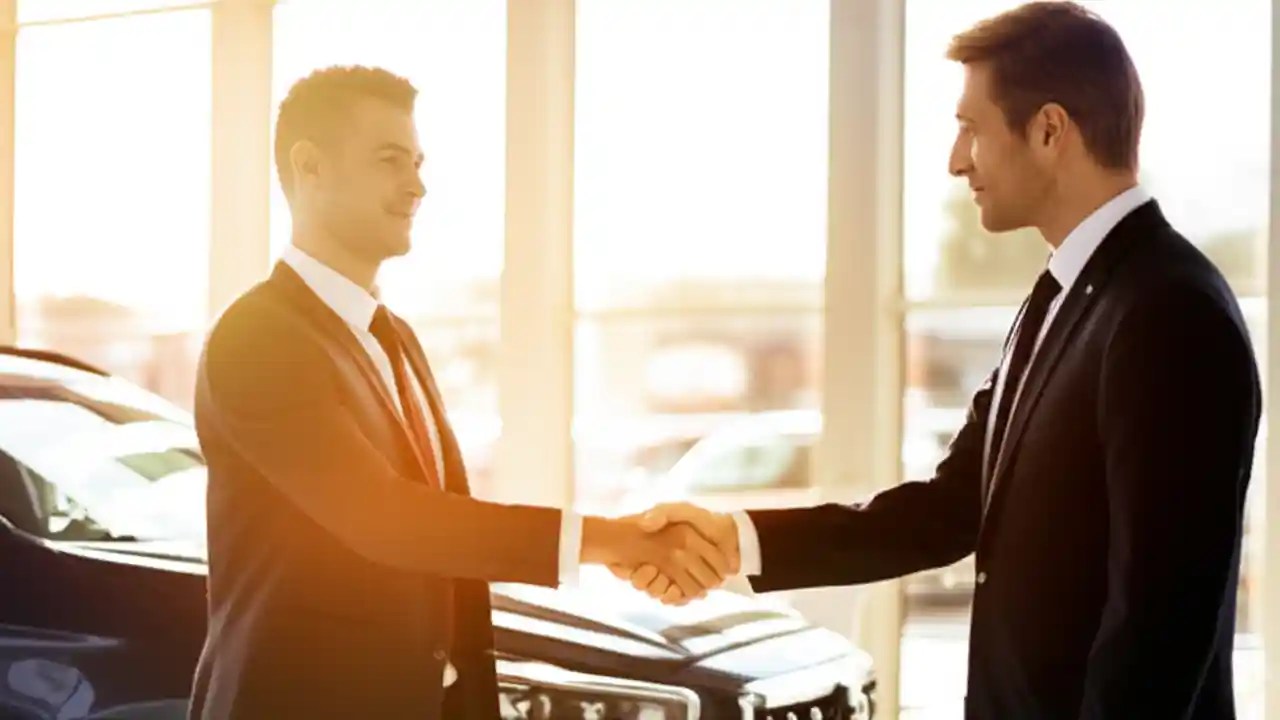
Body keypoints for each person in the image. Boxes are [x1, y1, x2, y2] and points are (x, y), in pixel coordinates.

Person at [630, 3, 1262, 718]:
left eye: (971, 128)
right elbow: (948, 510)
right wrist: (735, 538)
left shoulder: (1167, 312)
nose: (956, 159)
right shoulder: (1061, 297)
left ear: (1050, 129)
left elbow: (1160, 621)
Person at [188, 65, 731, 720]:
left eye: (417, 162)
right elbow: (388, 520)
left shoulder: (394, 337)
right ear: (310, 169)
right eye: (390, 161)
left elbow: (444, 532)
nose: (416, 185)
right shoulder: (258, 337)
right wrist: (613, 540)